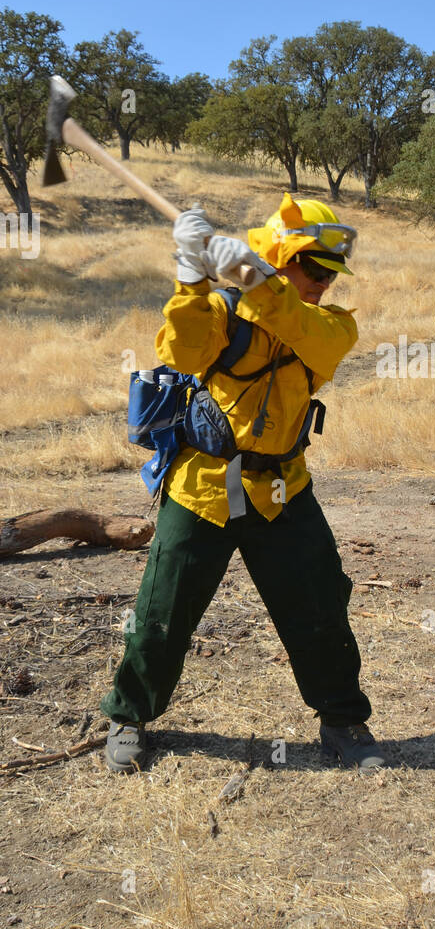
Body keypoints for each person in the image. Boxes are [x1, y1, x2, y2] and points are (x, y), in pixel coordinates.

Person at [101, 195, 384, 773]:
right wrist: (190, 279)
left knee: (320, 604)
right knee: (163, 607)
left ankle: (342, 718)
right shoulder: (222, 309)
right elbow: (178, 352)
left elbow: (302, 329)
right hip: (203, 487)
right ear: (284, 259)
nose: (325, 283)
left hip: (283, 489)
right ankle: (129, 714)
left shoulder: (328, 324)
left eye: (332, 272)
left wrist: (258, 280)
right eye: (316, 268)